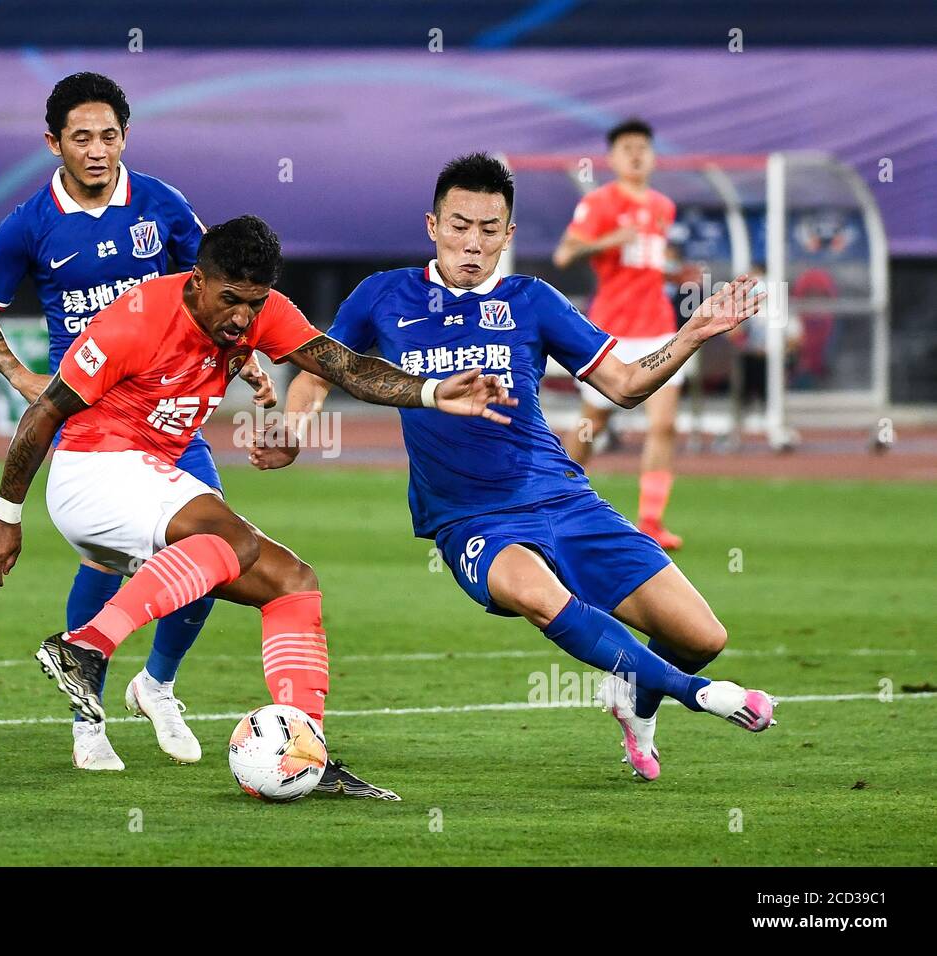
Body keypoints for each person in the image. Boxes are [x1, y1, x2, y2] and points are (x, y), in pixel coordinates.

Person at [261, 154, 778, 782]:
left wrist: (692, 335)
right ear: (432, 225)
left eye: (488, 229)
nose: (472, 243)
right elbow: (322, 369)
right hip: (469, 518)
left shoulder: (533, 301)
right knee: (536, 594)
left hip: (563, 499)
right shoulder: (383, 295)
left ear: (508, 235)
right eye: (459, 226)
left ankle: (638, 695)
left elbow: (624, 385)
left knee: (701, 638)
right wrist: (291, 429)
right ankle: (700, 695)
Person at [0, 214, 511, 799]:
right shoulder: (135, 320)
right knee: (233, 542)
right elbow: (45, 411)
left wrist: (433, 391)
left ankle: (307, 751)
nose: (241, 319)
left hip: (155, 474)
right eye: (230, 300)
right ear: (198, 281)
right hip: (91, 472)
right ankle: (86, 647)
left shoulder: (265, 314)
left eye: (253, 304)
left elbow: (348, 368)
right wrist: (6, 515)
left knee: (293, 581)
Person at [0, 72, 277, 771]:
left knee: (215, 551)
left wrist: (243, 354)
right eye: (81, 138)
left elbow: (220, 292)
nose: (97, 150)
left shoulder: (163, 206)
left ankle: (157, 685)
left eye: (109, 135)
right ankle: (87, 720)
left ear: (125, 137)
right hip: (90, 419)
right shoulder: (29, 224)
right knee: (101, 559)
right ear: (53, 144)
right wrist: (25, 381)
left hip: (169, 413)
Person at [553, 118, 693, 550]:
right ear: (612, 158)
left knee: (665, 424)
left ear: (653, 155)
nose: (636, 154)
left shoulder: (663, 207)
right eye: (627, 147)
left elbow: (652, 262)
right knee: (593, 424)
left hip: (658, 327)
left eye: (643, 147)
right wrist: (610, 238)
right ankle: (555, 501)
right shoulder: (600, 203)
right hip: (612, 330)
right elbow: (564, 254)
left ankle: (650, 521)